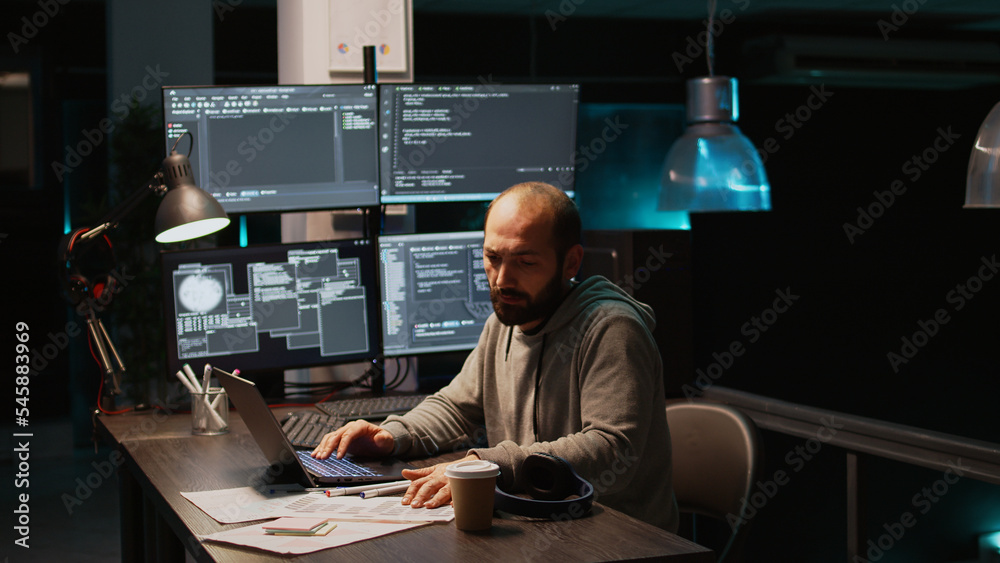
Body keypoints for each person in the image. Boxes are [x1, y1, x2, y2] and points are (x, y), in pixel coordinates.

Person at [312, 181, 678, 531]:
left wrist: (487, 464)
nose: (503, 279)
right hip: (539, 525)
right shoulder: (504, 322)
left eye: (525, 262)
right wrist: (391, 435)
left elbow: (612, 449)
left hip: (619, 539)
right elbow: (456, 407)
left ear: (571, 263)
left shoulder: (612, 329)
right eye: (493, 257)